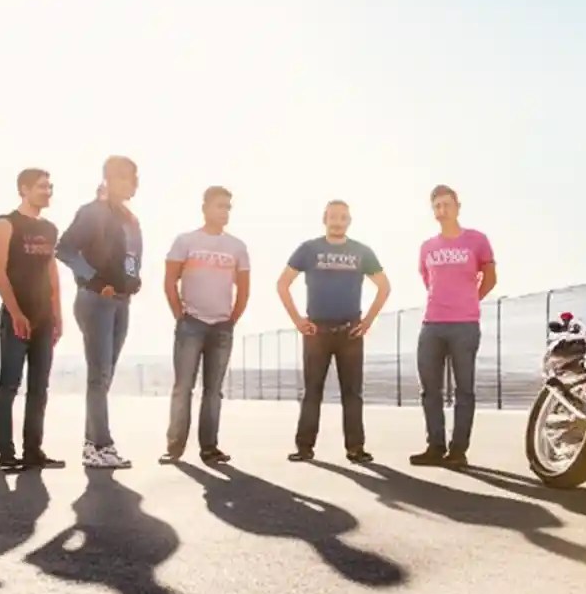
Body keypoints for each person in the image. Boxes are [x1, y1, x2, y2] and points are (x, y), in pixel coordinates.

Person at [277, 199, 391, 464]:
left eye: (342, 217)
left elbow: (384, 287)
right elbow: (282, 284)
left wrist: (368, 321)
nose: (337, 222)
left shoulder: (362, 251)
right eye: (333, 217)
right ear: (324, 219)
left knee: (352, 393)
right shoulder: (308, 249)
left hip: (350, 332)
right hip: (316, 332)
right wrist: (297, 320)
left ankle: (355, 448)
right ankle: (304, 447)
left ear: (349, 221)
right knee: (312, 391)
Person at [55, 156, 143, 469]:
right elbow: (64, 249)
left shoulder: (130, 220)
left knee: (106, 376)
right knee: (99, 375)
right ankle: (101, 445)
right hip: (96, 301)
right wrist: (94, 280)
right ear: (109, 179)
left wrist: (133, 279)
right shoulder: (92, 212)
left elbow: (130, 256)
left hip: (121, 302)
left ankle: (92, 445)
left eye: (133, 177)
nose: (130, 183)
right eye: (124, 177)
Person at [160, 186, 250, 465]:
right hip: (191, 325)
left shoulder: (237, 247)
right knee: (183, 387)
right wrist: (180, 315)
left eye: (228, 207)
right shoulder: (185, 241)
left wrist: (231, 320)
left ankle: (209, 447)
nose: (224, 212)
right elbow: (169, 281)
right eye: (219, 206)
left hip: (221, 326)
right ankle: (174, 447)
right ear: (205, 208)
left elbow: (244, 288)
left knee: (213, 391)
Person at [409, 185, 496, 468]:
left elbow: (490, 278)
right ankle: (435, 447)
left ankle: (458, 451)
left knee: (464, 390)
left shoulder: (477, 240)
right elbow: (428, 281)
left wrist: (470, 300)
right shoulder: (427, 247)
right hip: (432, 325)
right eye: (437, 206)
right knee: (429, 389)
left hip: (465, 326)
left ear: (458, 207)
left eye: (447, 204)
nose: (442, 210)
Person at [0, 168, 64, 470]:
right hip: (16, 317)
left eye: (49, 187)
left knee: (39, 388)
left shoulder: (50, 229)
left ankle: (33, 451)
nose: (47, 192)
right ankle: (6, 455)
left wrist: (57, 314)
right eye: (42, 187)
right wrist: (16, 313)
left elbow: (51, 271)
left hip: (44, 317)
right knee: (9, 385)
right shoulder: (7, 223)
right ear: (24, 189)